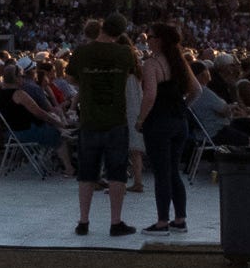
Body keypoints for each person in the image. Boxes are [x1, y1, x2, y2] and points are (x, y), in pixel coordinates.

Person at [67, 16, 139, 236]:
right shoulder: (125, 53)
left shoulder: (82, 52)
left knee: (86, 174)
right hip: (116, 119)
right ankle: (115, 222)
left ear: (102, 27)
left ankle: (83, 221)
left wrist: (87, 82)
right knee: (117, 173)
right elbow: (130, 74)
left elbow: (71, 78)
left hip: (89, 119)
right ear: (120, 33)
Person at [138, 22, 195, 233]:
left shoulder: (152, 64)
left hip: (159, 121)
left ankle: (162, 221)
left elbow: (150, 96)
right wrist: (183, 106)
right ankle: (180, 219)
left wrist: (140, 119)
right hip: (179, 120)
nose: (147, 41)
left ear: (159, 40)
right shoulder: (180, 62)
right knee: (174, 171)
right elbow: (197, 90)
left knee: (161, 173)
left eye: (150, 37)